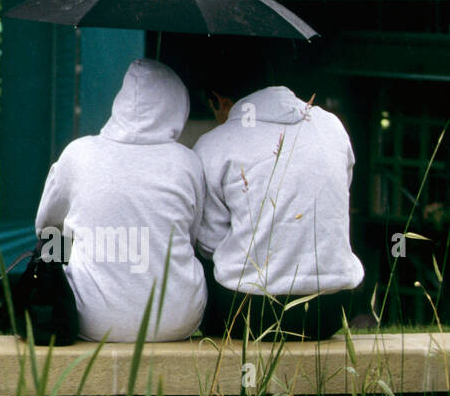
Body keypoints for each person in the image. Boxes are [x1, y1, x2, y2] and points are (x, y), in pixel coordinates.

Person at [35, 59, 207, 342]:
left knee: (51, 241)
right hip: (177, 321)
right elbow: (193, 238)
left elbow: (44, 226)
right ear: (179, 106)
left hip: (91, 321)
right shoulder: (188, 162)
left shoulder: (78, 153)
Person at [194, 65, 364, 341]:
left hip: (250, 313)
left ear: (220, 99)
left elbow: (210, 246)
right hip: (332, 309)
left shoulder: (213, 143)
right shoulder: (332, 126)